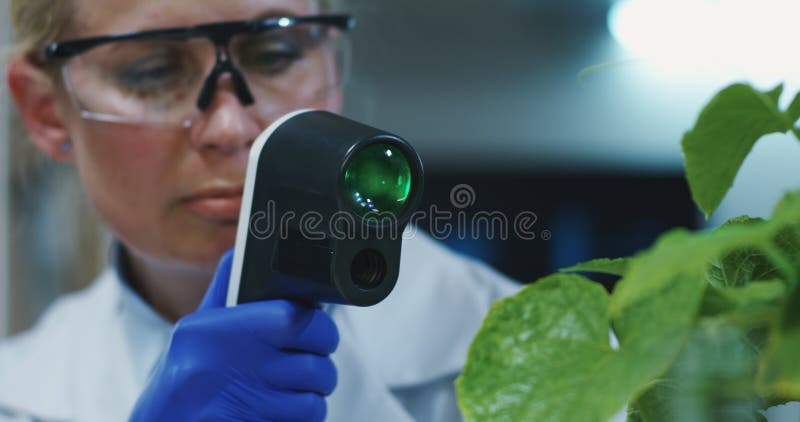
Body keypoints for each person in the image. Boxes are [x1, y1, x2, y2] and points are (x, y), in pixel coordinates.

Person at [0, 0, 519, 420]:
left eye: (274, 54)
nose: (229, 128)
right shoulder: (17, 395)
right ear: (45, 111)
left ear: (331, 63)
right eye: (153, 71)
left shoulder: (549, 357)